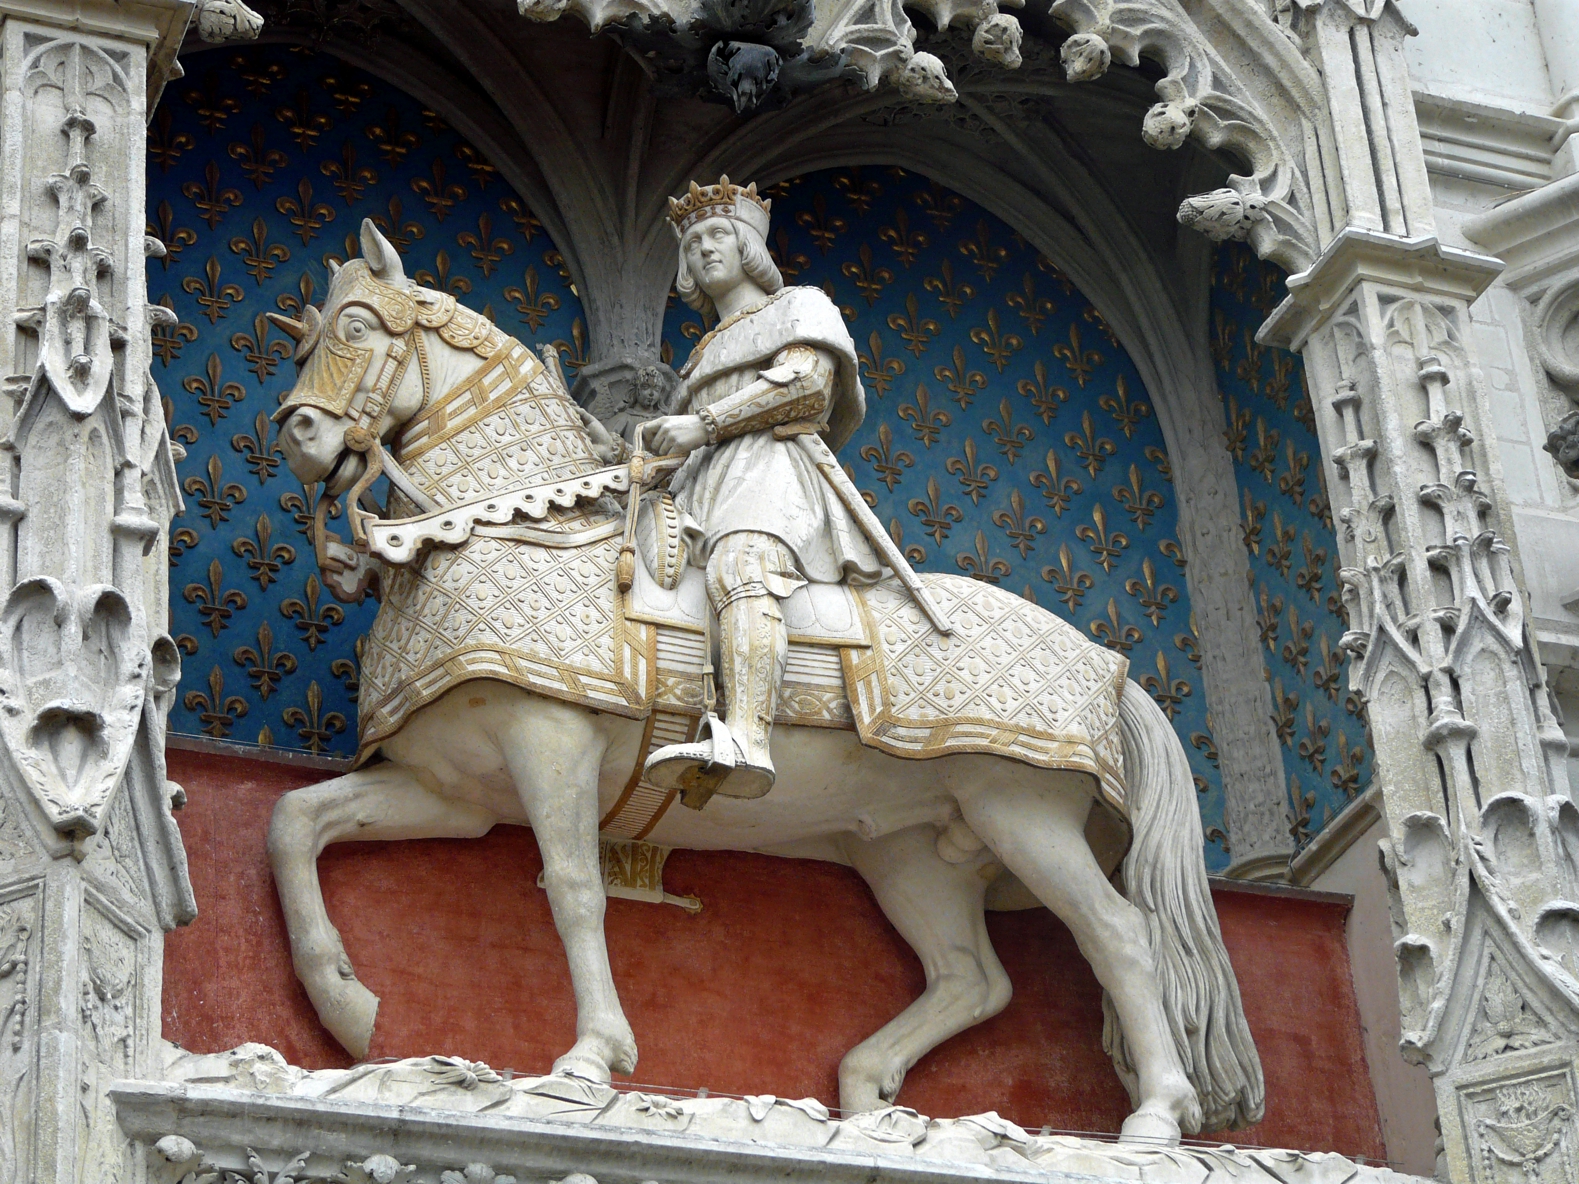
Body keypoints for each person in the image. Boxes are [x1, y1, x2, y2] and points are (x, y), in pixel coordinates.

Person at [639, 176, 880, 804]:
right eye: (691, 244)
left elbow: (807, 387)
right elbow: (669, 453)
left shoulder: (800, 306)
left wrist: (703, 424)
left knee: (744, 564)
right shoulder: (698, 356)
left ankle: (747, 736)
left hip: (769, 468)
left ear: (749, 244)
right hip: (700, 486)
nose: (703, 250)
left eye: (718, 234)